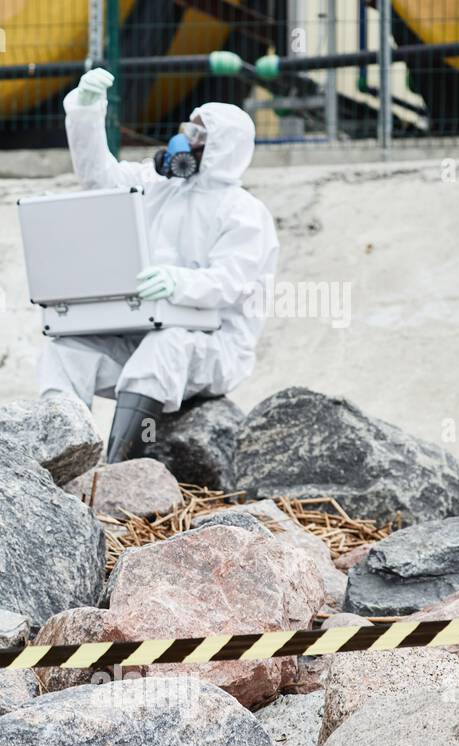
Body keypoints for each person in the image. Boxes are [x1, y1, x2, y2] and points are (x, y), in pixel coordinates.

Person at [39, 67, 279, 463]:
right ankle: (62, 462)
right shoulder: (157, 184)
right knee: (65, 352)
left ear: (223, 148)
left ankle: (118, 470)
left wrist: (176, 283)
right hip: (142, 332)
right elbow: (99, 178)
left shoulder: (244, 213)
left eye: (199, 135)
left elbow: (231, 283)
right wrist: (85, 111)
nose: (185, 139)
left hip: (214, 345)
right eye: (189, 127)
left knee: (166, 346)